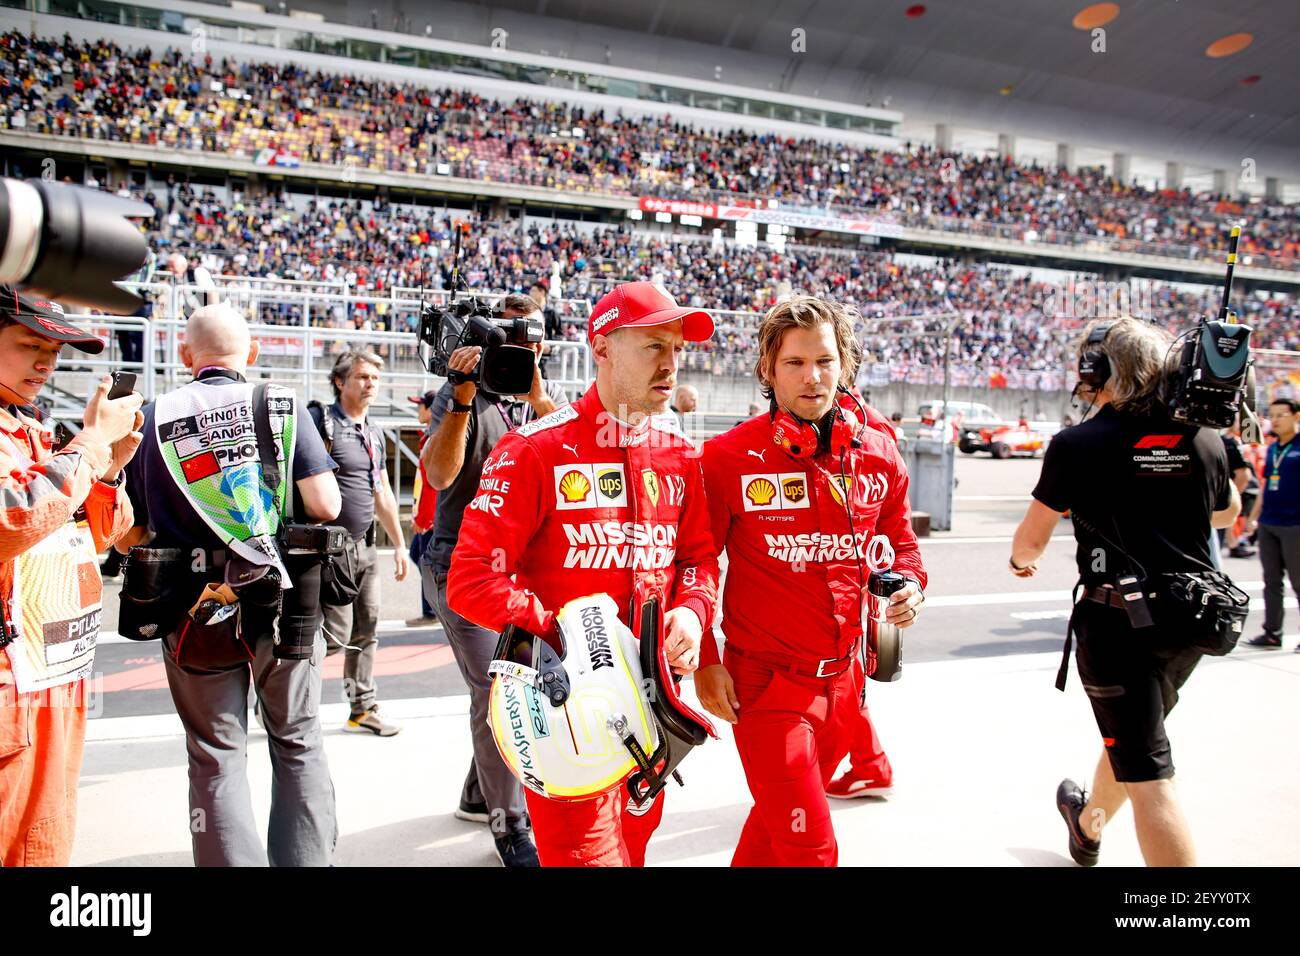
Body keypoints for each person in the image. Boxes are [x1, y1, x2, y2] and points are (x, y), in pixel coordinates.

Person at [447, 281, 720, 867]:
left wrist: (693, 616)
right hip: (565, 713)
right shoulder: (535, 450)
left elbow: (698, 563)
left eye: (676, 350)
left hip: (656, 715)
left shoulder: (681, 455)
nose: (670, 364)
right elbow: (470, 581)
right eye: (653, 347)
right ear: (602, 347)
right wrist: (562, 633)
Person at [696, 296, 926, 866]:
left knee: (773, 837)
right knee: (811, 850)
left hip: (848, 685)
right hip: (766, 687)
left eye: (824, 360)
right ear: (768, 371)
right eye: (794, 363)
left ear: (844, 364)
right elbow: (694, 563)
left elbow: (903, 545)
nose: (812, 376)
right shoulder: (728, 457)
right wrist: (704, 658)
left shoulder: (878, 454)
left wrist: (911, 588)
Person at [1010, 317, 1240, 867]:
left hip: (1120, 628)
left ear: (1099, 370)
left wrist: (1022, 563)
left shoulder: (1076, 444)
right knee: (1136, 744)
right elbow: (1228, 511)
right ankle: (1087, 825)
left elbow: (1030, 541)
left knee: (1151, 777)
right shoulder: (1204, 437)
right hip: (1192, 621)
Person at [121, 302, 341, 866]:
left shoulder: (152, 416)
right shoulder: (284, 404)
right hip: (283, 603)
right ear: (253, 353)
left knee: (216, 754)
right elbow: (324, 504)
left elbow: (132, 534)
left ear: (185, 355)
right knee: (296, 742)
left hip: (191, 608)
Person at [419, 293, 566, 866]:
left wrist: (538, 395)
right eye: (510, 346)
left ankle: (479, 792)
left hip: (524, 564)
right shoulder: (459, 397)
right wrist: (458, 399)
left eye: (530, 347)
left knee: (510, 686)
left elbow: (570, 454)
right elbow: (439, 473)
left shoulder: (540, 402)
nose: (519, 356)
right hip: (461, 561)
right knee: (500, 686)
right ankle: (510, 826)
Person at [0, 289, 140, 866]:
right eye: (29, 345)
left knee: (47, 834)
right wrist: (89, 445)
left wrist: (109, 468)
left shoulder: (30, 428)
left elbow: (110, 533)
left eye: (53, 352)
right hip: (13, 679)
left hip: (52, 667)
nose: (44, 362)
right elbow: (15, 518)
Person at [315, 349, 409, 736]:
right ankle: (278, 694)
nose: (371, 384)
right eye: (362, 377)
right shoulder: (322, 425)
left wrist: (400, 545)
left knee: (367, 631)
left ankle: (362, 707)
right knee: (333, 638)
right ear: (340, 382)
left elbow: (381, 491)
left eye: (374, 378)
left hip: (367, 548)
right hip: (332, 550)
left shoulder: (370, 431)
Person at [1243, 398, 1299, 649]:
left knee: (1299, 582)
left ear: (1296, 417)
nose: (1274, 420)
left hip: (1295, 525)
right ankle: (1272, 633)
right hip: (1269, 523)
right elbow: (1266, 487)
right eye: (1272, 415)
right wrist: (1253, 518)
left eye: (1281, 415)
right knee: (1271, 581)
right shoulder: (1274, 448)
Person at [406, 389, 438, 628]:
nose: (418, 410)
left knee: (424, 559)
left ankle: (432, 610)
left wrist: (424, 518)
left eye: (421, 405)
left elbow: (430, 485)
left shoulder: (434, 438)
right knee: (419, 556)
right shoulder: (430, 435)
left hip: (432, 518)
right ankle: (432, 608)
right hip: (429, 516)